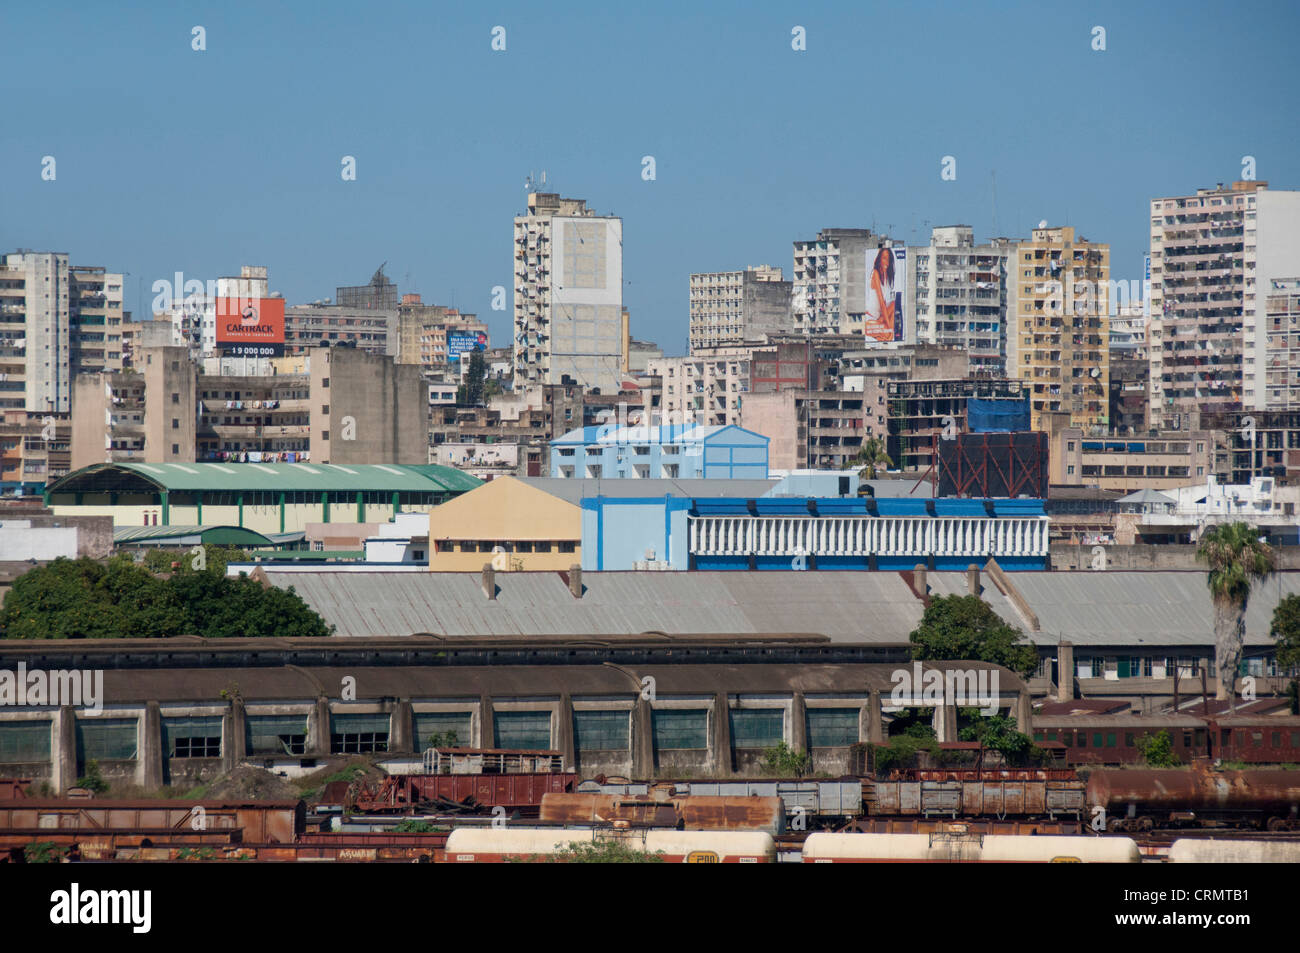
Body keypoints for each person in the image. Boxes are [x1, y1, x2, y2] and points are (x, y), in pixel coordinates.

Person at [865, 247, 897, 338]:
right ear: (879, 259)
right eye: (884, 258)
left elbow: (887, 303)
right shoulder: (875, 273)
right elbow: (881, 302)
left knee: (894, 304)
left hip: (880, 318)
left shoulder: (886, 275)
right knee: (888, 334)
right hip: (871, 316)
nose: (886, 262)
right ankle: (887, 333)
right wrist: (888, 326)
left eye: (888, 259)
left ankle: (886, 333)